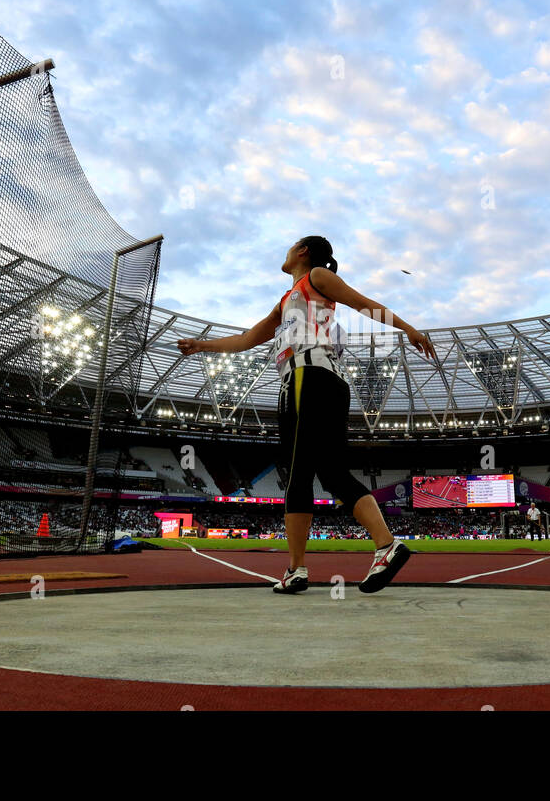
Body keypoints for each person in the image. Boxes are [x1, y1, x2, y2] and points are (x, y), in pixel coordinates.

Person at [178, 235, 435, 594]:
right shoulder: (286, 301)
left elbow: (363, 305)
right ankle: (386, 546)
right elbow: (247, 339)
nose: (284, 251)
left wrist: (407, 328)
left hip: (307, 377)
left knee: (299, 471)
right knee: (331, 473)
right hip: (322, 380)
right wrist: (201, 345)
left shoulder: (315, 277)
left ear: (303, 251)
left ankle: (296, 569)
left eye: (290, 245)